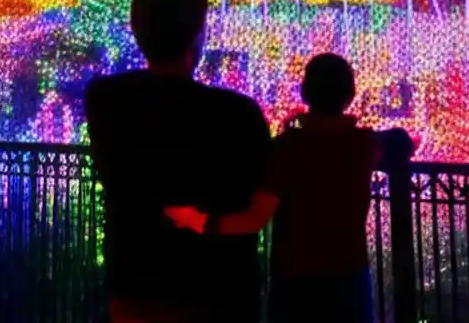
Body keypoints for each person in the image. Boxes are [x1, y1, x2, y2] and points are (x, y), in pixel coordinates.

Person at [164, 53, 417, 323]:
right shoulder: (365, 144)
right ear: (349, 94)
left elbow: (253, 219)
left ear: (305, 93)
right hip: (350, 277)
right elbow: (402, 141)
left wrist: (198, 220)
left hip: (296, 280)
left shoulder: (286, 149)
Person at [84, 0, 271, 322]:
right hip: (218, 289)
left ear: (138, 34)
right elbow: (258, 200)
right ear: (198, 34)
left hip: (134, 284)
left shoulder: (106, 99)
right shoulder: (237, 113)